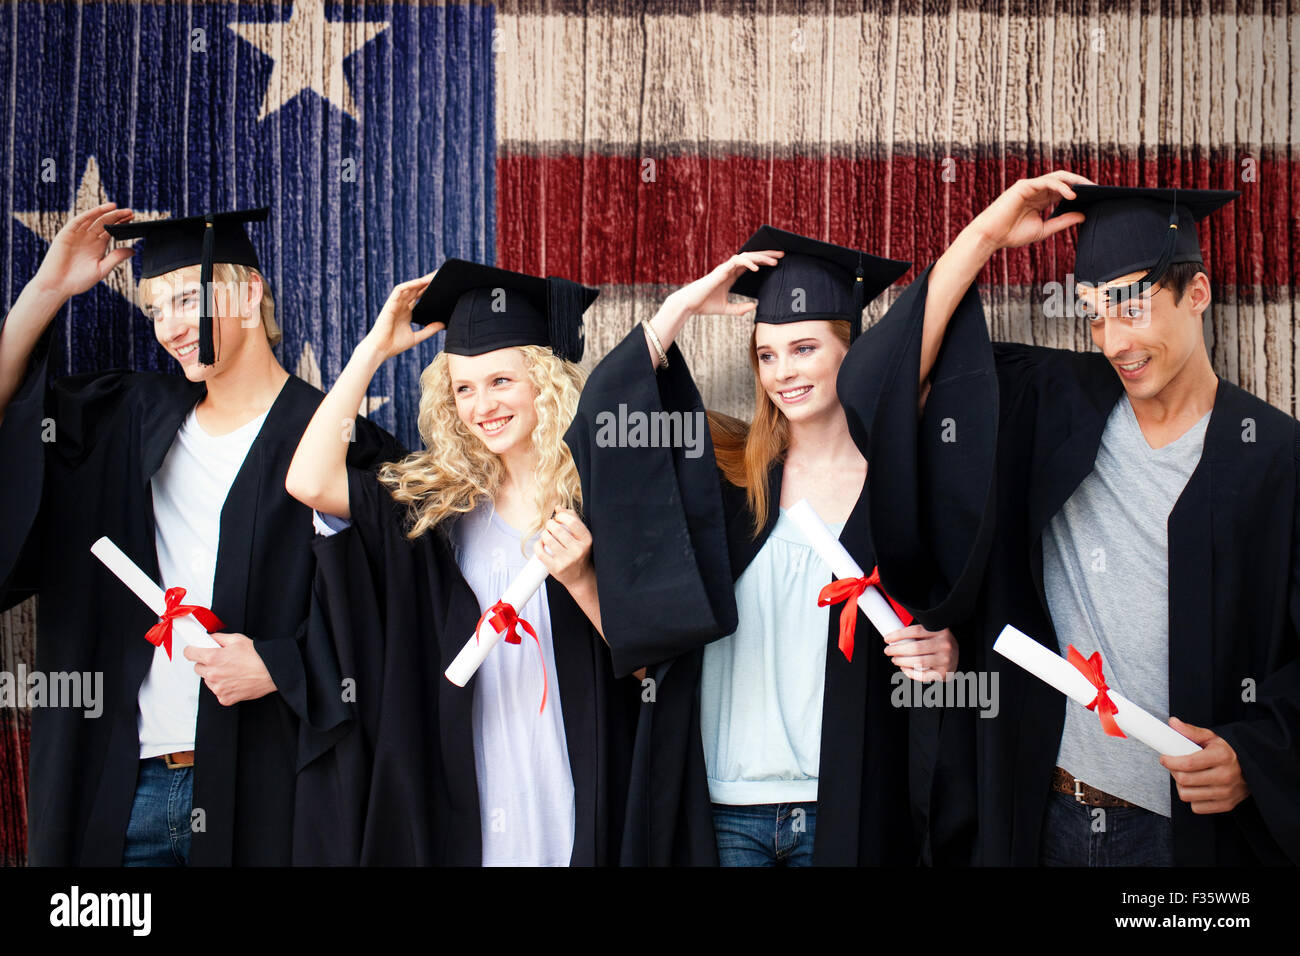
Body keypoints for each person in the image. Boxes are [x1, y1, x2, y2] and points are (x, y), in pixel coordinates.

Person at [840, 173, 1300, 865]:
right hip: (1044, 812)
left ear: (1197, 294)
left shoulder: (1275, 456)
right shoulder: (1051, 403)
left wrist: (1254, 754)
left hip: (1180, 836)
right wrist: (986, 235)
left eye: (1132, 308)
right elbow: (878, 386)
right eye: (1093, 313)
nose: (1114, 341)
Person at [0, 202, 397, 865]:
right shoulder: (125, 422)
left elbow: (396, 620)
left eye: (187, 299)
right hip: (129, 793)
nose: (170, 328)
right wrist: (46, 290)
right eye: (156, 310)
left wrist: (282, 666)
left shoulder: (340, 451)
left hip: (272, 792)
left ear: (248, 292)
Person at [566, 226, 959, 866]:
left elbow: (952, 621)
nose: (783, 373)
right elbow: (604, 426)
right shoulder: (726, 476)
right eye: (766, 354)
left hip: (844, 805)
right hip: (725, 812)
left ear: (850, 351)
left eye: (803, 348)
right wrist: (680, 308)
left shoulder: (899, 490)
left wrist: (945, 652)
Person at [286, 259, 638, 865]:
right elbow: (309, 479)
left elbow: (650, 669)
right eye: (464, 388)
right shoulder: (440, 507)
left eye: (501, 381)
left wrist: (580, 579)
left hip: (574, 768)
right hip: (469, 770)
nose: (483, 406)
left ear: (544, 381)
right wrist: (374, 347)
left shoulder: (602, 497)